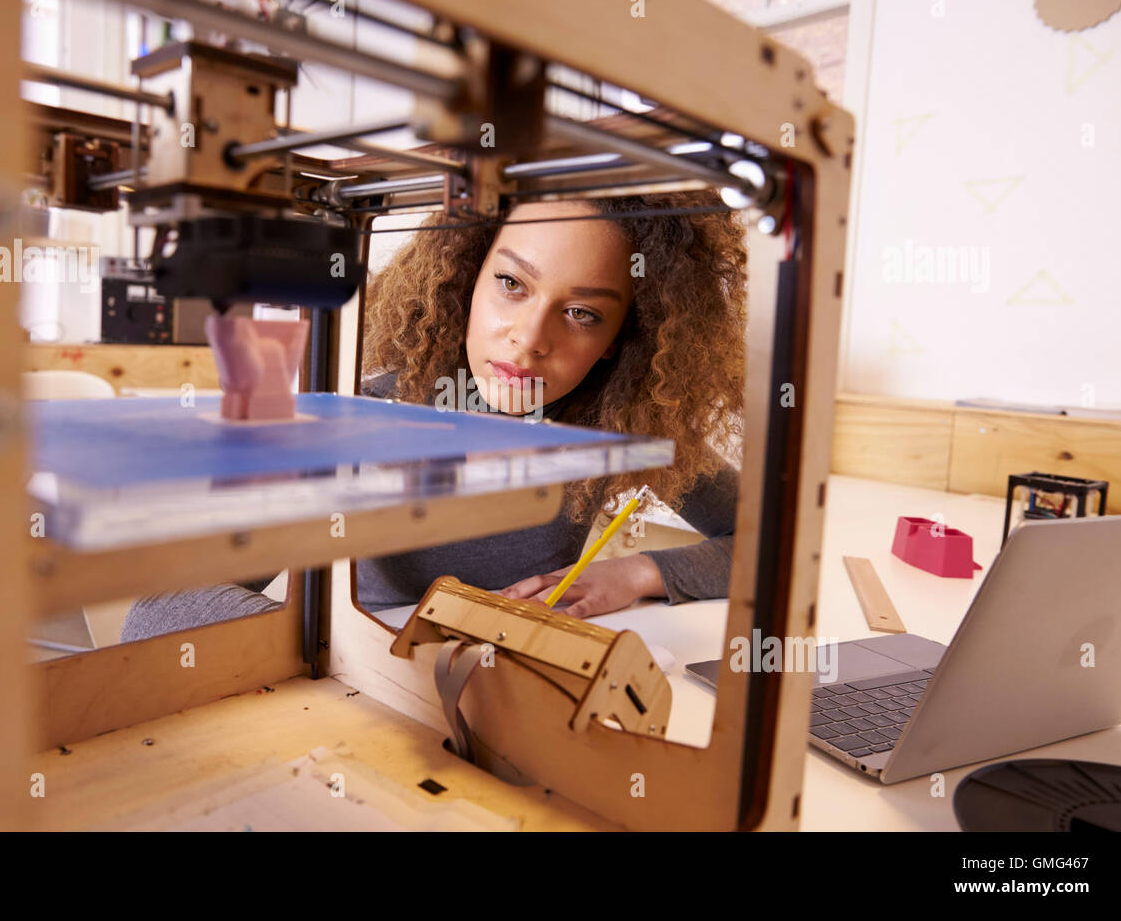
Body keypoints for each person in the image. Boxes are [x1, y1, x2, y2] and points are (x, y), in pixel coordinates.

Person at [119, 188, 746, 642]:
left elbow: (768, 543)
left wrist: (633, 573)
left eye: (582, 313)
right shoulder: (352, 414)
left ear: (620, 338)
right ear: (469, 278)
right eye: (512, 285)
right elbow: (161, 607)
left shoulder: (620, 424)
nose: (528, 339)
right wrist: (355, 649)